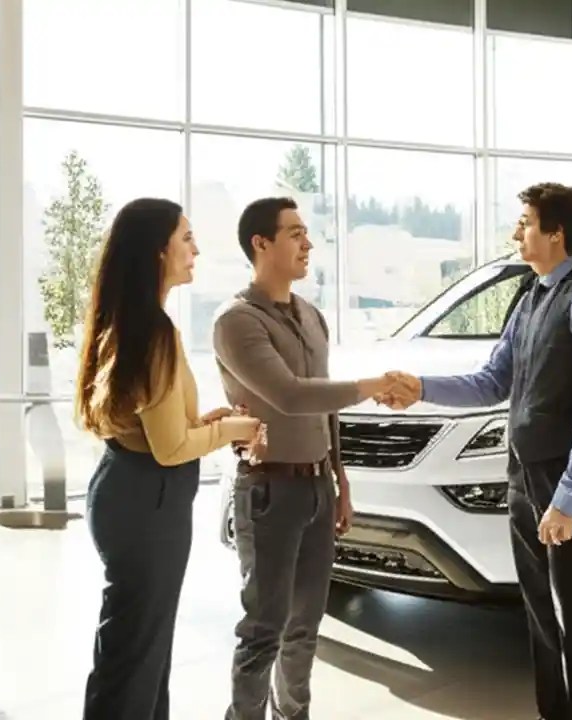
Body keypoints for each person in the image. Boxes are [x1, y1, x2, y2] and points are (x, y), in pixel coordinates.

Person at [380, 183, 572, 720]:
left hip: (565, 480)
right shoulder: (531, 296)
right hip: (523, 475)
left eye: (526, 222)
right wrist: (420, 388)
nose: (517, 232)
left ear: (556, 233)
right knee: (539, 609)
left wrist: (569, 498)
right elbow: (492, 381)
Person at [74, 197, 263, 720]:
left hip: (129, 491)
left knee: (137, 653)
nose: (195, 249)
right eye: (186, 238)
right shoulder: (155, 332)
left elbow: (160, 428)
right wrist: (234, 430)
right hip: (148, 504)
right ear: (158, 251)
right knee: (136, 660)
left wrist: (206, 422)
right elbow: (170, 448)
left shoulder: (131, 323)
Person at [213, 196, 400, 720]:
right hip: (269, 492)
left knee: (304, 629)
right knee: (264, 630)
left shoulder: (312, 317)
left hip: (318, 488)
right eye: (295, 233)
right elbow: (291, 396)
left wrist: (339, 479)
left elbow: (324, 408)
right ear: (261, 243)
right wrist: (374, 385)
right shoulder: (236, 321)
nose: (308, 243)